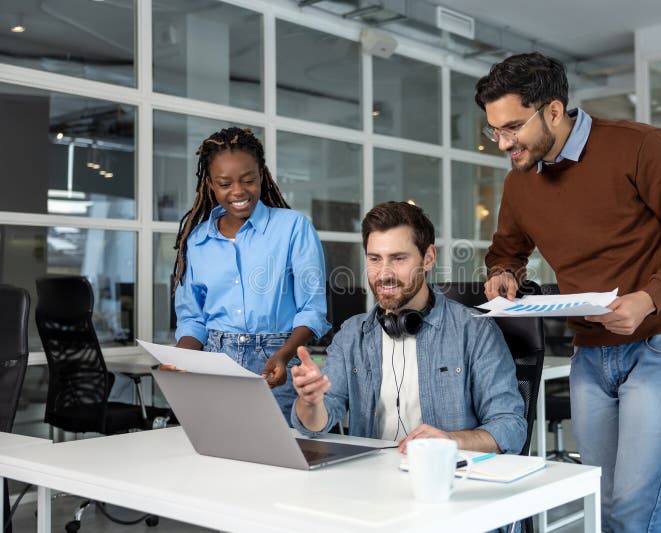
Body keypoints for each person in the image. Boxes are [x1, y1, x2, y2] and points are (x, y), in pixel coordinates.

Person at [475, 53, 661, 532]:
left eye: (511, 127)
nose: (503, 143)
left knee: (632, 512)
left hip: (660, 347)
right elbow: (505, 251)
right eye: (494, 131)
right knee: (601, 504)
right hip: (589, 355)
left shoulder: (638, 147)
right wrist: (503, 274)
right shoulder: (519, 181)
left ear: (553, 110)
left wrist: (649, 297)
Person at [290, 201, 526, 455]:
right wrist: (310, 402)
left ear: (428, 258)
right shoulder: (351, 334)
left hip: (444, 479)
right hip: (372, 480)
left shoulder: (475, 330)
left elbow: (510, 426)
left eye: (398, 258)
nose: (384, 273)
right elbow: (316, 425)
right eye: (375, 259)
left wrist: (451, 440)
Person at [172, 126, 329, 422]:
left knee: (279, 458)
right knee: (218, 456)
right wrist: (181, 361)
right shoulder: (197, 241)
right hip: (216, 364)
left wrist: (284, 354)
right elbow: (192, 319)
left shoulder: (293, 227)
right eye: (224, 183)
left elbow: (312, 309)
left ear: (262, 175)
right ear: (210, 184)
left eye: (248, 180)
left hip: (277, 362)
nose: (238, 192)